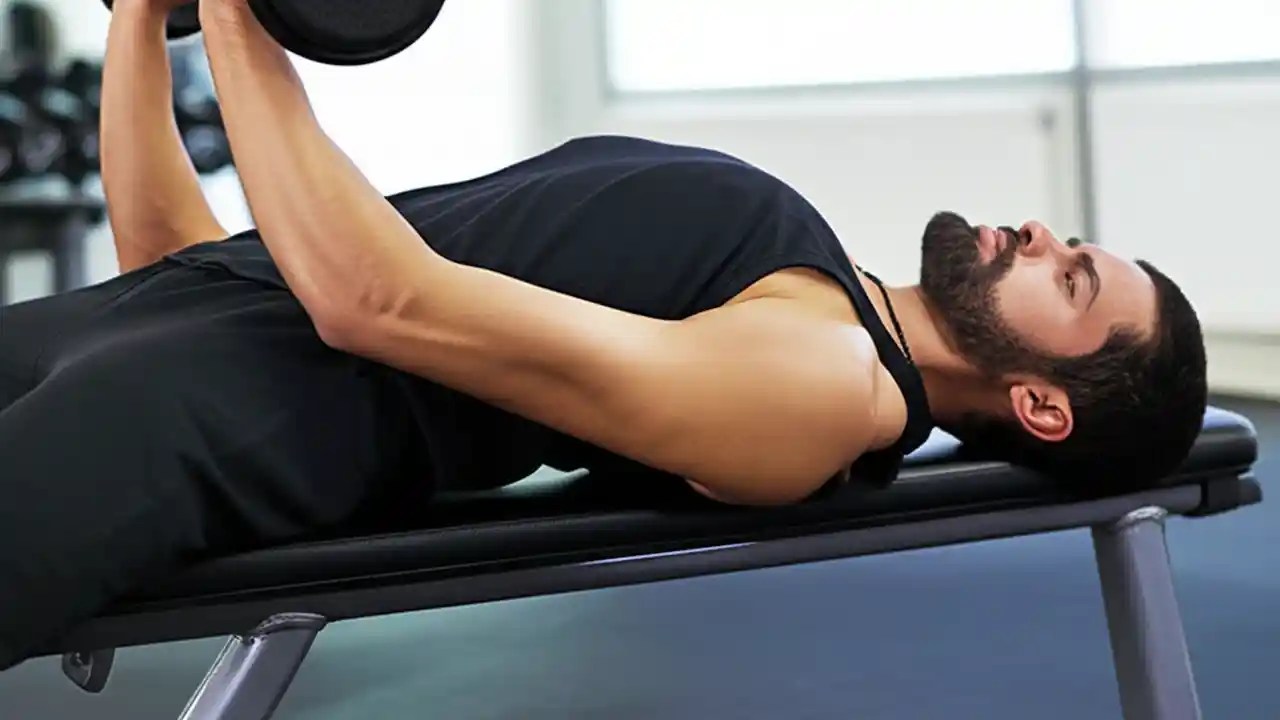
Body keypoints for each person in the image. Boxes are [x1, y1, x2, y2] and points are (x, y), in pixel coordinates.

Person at [0, 0, 1207, 669]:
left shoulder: (826, 384)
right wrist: (138, 20)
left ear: (1043, 402)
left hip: (193, 426)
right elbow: (182, 267)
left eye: (1070, 275)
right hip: (123, 335)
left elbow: (374, 302)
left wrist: (235, 13)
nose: (1042, 234)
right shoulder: (808, 276)